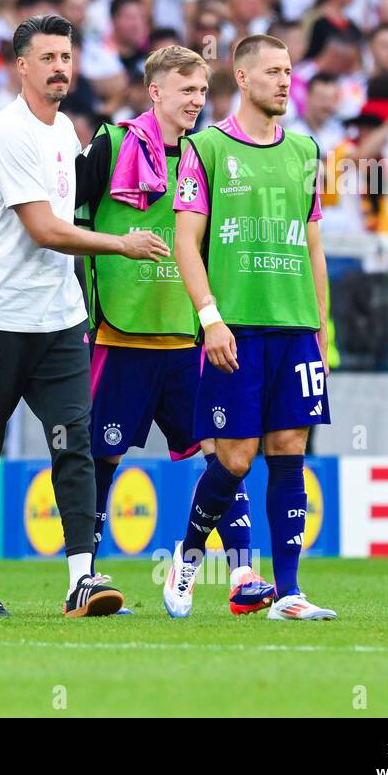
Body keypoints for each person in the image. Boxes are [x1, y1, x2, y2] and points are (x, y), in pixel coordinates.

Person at [0, 15, 167, 618]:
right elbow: (43, 230)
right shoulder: (9, 130)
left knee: (75, 442)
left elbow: (27, 207)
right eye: (46, 58)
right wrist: (124, 244)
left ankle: (81, 578)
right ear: (21, 67)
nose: (60, 67)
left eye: (65, 56)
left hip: (59, 320)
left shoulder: (65, 129)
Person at [75, 44, 275, 618]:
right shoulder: (111, 146)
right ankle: (84, 577)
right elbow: (60, 217)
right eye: (186, 90)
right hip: (122, 333)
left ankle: (241, 575)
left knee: (225, 451)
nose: (196, 101)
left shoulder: (207, 153)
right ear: (155, 91)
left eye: (203, 92)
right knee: (101, 459)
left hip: (189, 337)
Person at [170, 33, 337, 621]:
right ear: (242, 79)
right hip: (235, 327)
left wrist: (322, 327)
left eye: (290, 70)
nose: (285, 81)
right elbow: (185, 240)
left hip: (294, 328)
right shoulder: (209, 148)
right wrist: (209, 317)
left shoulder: (305, 151)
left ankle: (287, 592)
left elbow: (314, 244)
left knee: (290, 450)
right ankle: (188, 557)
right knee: (236, 458)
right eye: (272, 72)